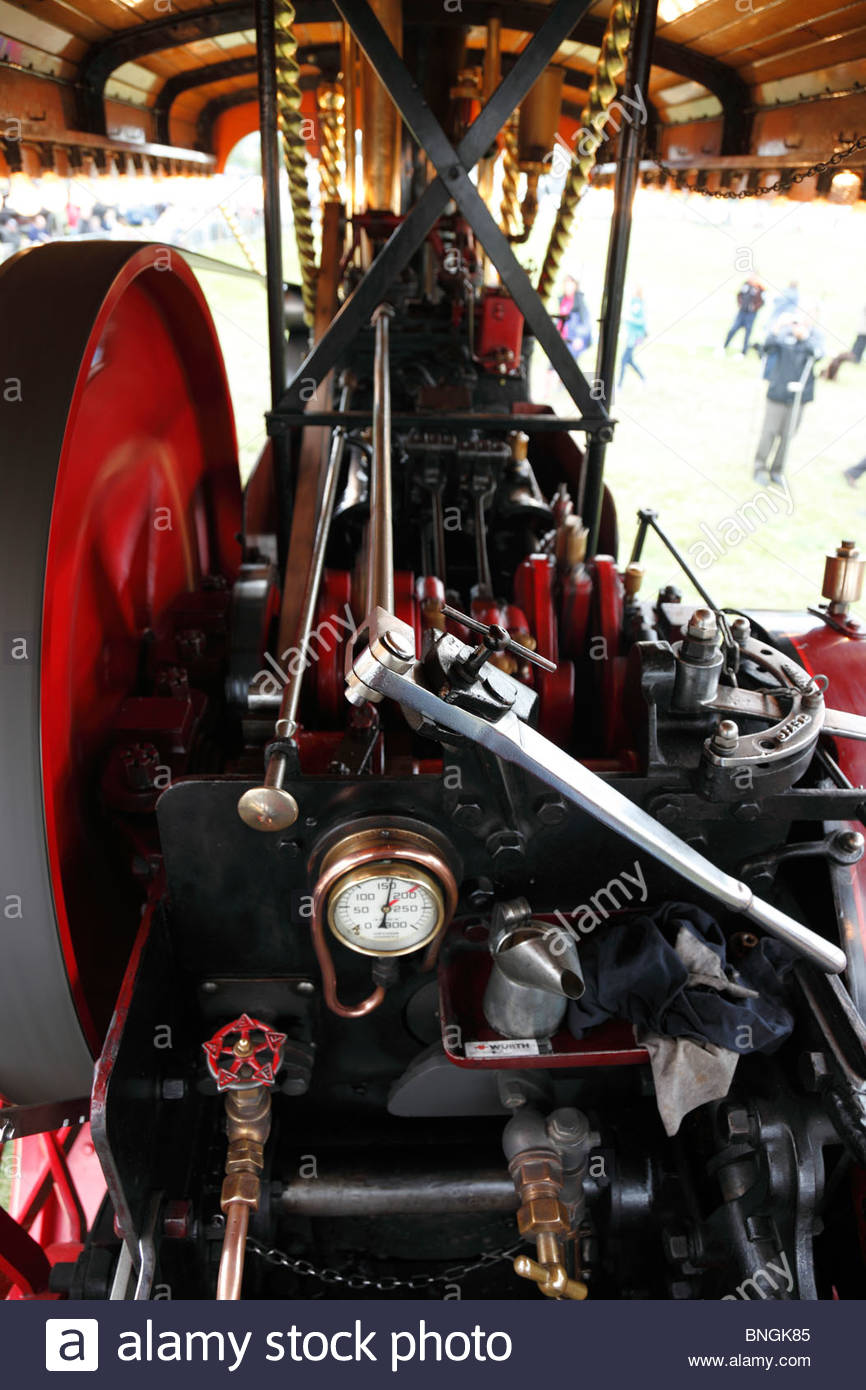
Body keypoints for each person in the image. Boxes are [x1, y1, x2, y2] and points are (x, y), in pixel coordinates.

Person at [753, 311, 823, 483]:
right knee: (769, 432)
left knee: (788, 434)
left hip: (799, 395)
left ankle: (777, 470)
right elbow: (767, 348)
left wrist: (805, 338)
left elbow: (818, 355)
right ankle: (759, 468)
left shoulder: (814, 338)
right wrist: (777, 328)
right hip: (778, 392)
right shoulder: (784, 334)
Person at [823, 303, 866, 381]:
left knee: (858, 347)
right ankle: (854, 360)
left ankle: (855, 359)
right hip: (863, 331)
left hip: (862, 331)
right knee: (858, 347)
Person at [724, 275, 765, 354]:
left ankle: (744, 352)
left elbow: (762, 302)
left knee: (747, 332)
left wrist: (754, 307)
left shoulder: (760, 288)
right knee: (733, 329)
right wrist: (740, 304)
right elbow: (739, 294)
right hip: (742, 312)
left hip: (751, 314)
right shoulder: (746, 284)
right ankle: (725, 346)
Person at [556, 274, 593, 360]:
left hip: (572, 341)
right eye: (566, 284)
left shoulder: (579, 302)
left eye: (570, 284)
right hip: (561, 339)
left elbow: (586, 323)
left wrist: (579, 337)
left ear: (575, 285)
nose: (568, 287)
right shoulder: (562, 300)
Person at [618, 288, 648, 387]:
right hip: (630, 337)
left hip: (633, 338)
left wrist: (627, 318)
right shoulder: (634, 304)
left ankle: (619, 385)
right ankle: (643, 378)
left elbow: (641, 322)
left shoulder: (637, 305)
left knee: (623, 361)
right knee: (629, 361)